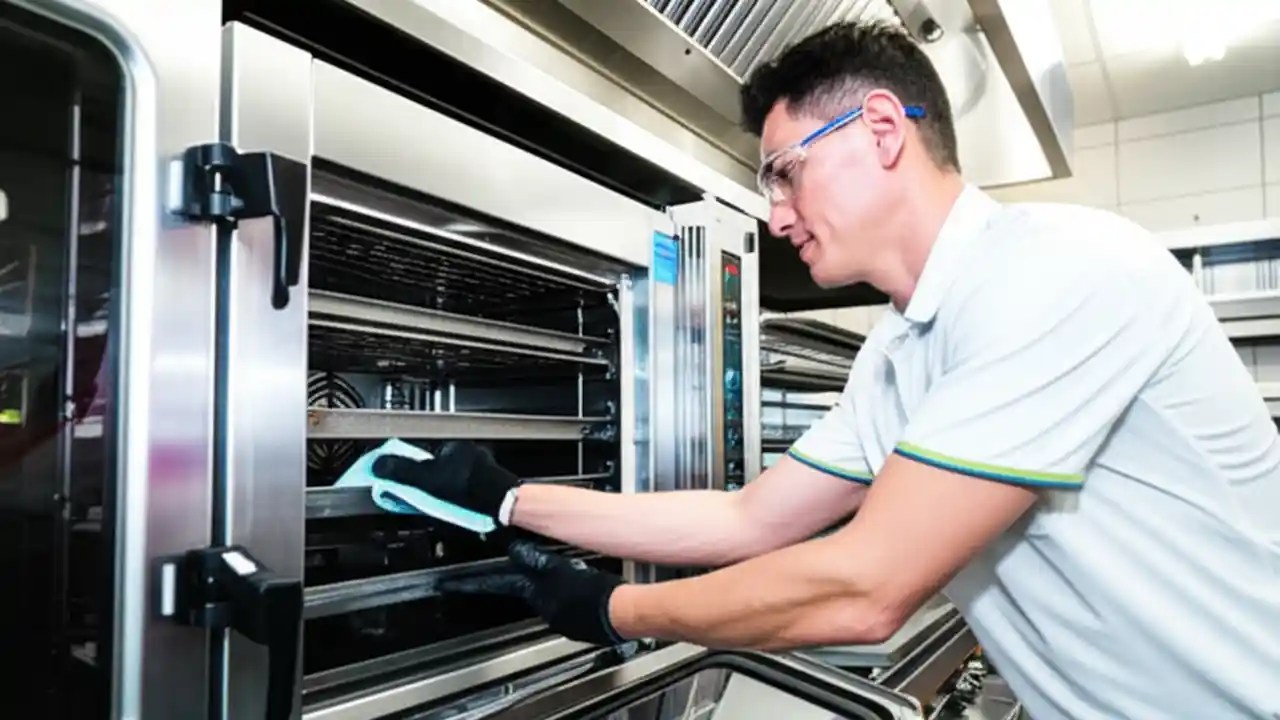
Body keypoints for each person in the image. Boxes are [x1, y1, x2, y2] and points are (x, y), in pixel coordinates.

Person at [374, 21, 1280, 720]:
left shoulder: (1057, 269)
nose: (775, 215)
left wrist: (614, 608)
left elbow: (867, 586)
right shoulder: (897, 352)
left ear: (881, 128)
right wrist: (505, 496)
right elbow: (748, 517)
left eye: (784, 173)